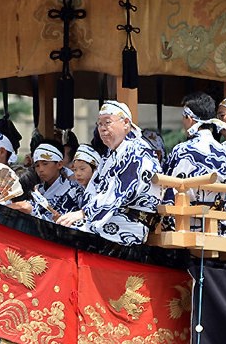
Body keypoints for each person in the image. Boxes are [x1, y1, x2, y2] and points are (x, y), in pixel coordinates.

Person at [57, 101, 163, 245]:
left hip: (131, 224)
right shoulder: (110, 156)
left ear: (126, 123)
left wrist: (83, 213)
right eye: (99, 124)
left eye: (107, 123)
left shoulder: (137, 151)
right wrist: (79, 213)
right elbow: (94, 188)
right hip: (110, 217)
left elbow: (118, 192)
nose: (102, 129)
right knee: (63, 228)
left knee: (72, 235)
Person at [164, 92, 226, 209]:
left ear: (189, 118)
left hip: (184, 220)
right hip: (216, 223)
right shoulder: (225, 152)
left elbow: (166, 187)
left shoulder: (182, 150)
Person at [9, 141, 82, 221]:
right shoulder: (36, 190)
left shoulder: (75, 191)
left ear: (59, 164)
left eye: (45, 164)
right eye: (37, 166)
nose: (40, 169)